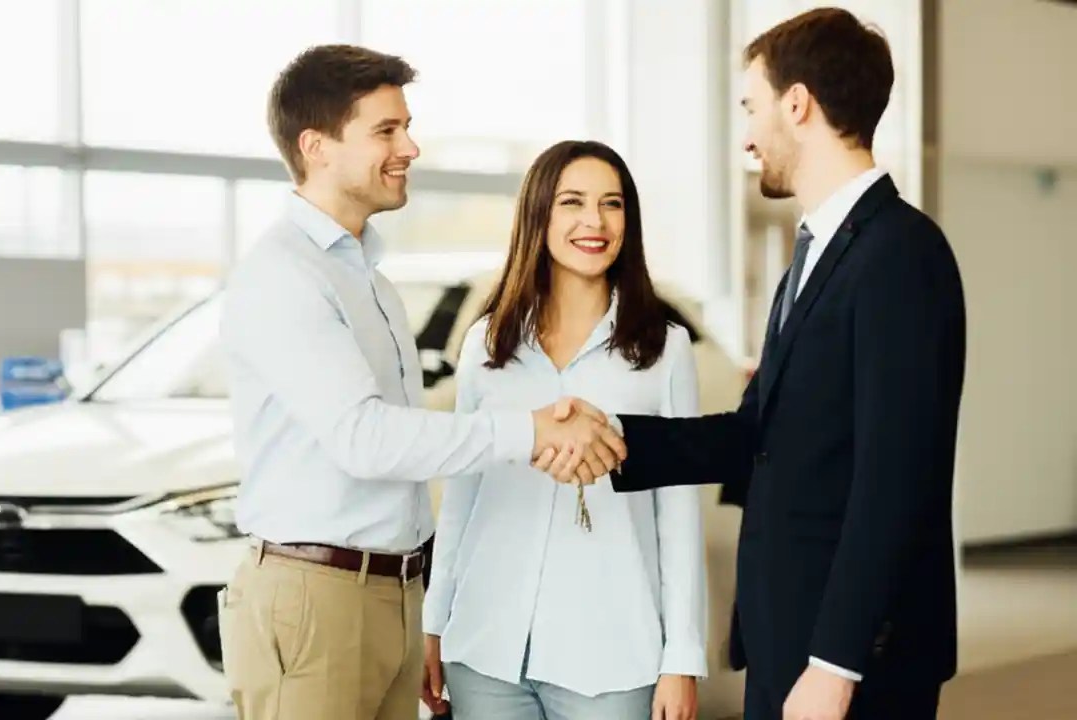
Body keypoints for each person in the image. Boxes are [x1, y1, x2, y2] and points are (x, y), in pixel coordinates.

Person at [541, 8, 966, 720]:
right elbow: (756, 434)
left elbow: (895, 478)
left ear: (797, 104)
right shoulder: (819, 254)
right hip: (790, 636)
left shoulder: (901, 255)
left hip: (854, 660)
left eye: (752, 106)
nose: (746, 135)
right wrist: (611, 435)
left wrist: (836, 664)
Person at [218, 45, 626, 720]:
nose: (410, 146)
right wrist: (530, 431)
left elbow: (405, 445)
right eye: (386, 130)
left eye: (406, 126)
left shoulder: (368, 281)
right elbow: (366, 439)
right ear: (315, 146)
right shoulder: (285, 275)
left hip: (388, 593)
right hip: (316, 598)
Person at [421, 141, 708, 720]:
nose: (594, 222)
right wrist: (435, 623)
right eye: (572, 202)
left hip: (612, 657)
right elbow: (461, 498)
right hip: (486, 647)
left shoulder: (665, 350)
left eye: (612, 204)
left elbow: (679, 516)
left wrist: (682, 657)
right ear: (538, 216)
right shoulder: (487, 344)